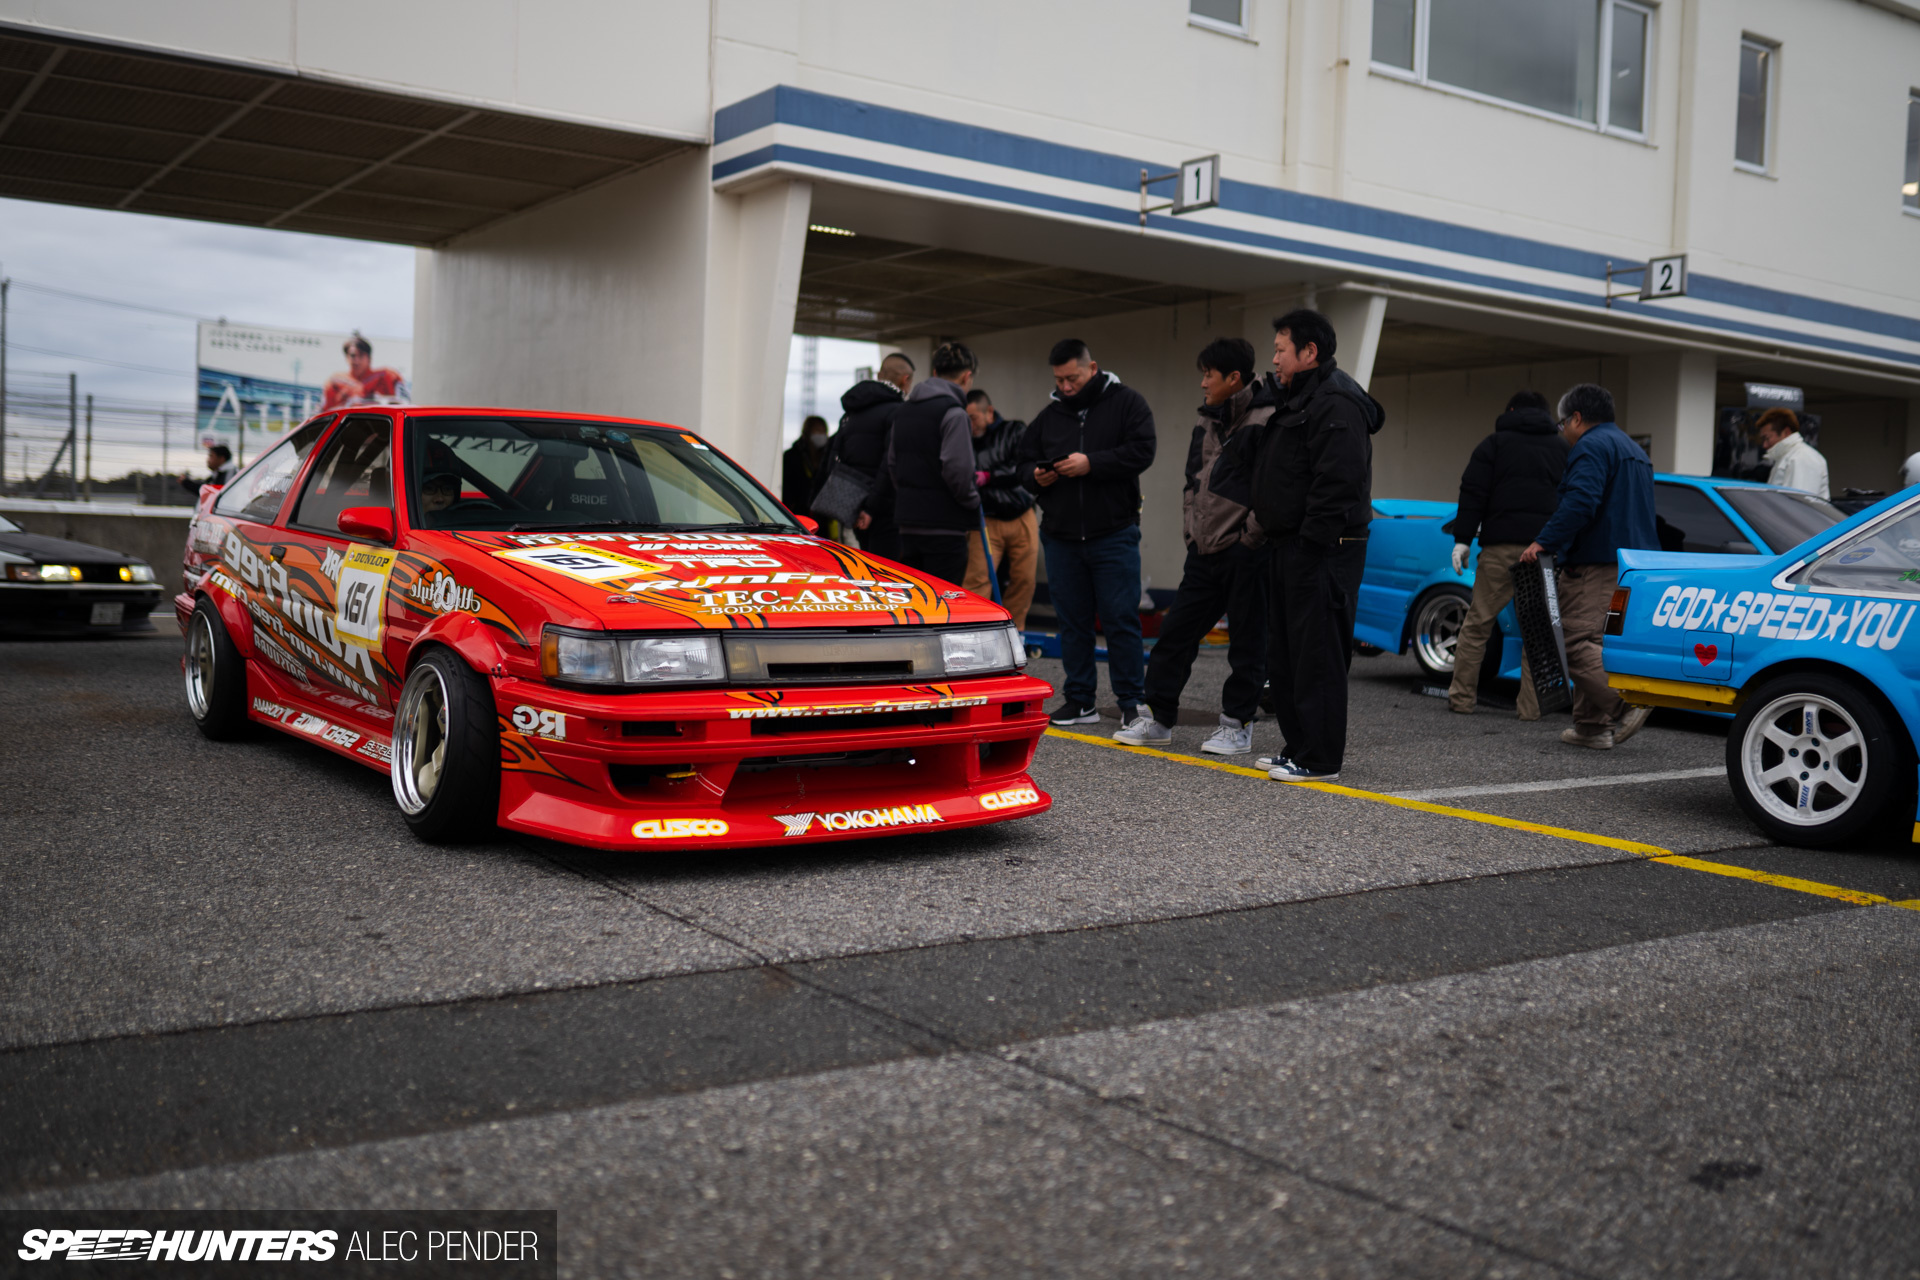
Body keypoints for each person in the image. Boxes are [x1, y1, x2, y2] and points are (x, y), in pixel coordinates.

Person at [1223, 308, 1383, 783]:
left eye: (1281, 349)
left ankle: (1320, 758)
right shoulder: (1299, 400)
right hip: (1288, 546)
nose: (1273, 358)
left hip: (1322, 549)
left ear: (1309, 352)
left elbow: (1338, 483)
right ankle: (1298, 747)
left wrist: (1311, 544)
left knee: (1318, 654)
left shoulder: (1336, 403)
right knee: (1288, 654)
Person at [1114, 337, 1271, 755]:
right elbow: (1191, 480)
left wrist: (1248, 537)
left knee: (1247, 642)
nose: (1203, 383)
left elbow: (1272, 488)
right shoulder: (1205, 420)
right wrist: (1191, 531)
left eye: (1209, 374)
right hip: (1203, 551)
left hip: (1246, 552)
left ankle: (1237, 725)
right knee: (1174, 633)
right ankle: (1160, 718)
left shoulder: (1267, 417)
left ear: (1234, 378)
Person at [1018, 338, 1157, 729]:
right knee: (1072, 621)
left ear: (1092, 368)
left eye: (1072, 378)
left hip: (1113, 533)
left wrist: (1091, 463)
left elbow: (1143, 451)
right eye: (1060, 380)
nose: (1065, 386)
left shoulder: (1128, 403)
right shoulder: (1050, 416)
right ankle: (1080, 700)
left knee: (1119, 618)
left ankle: (1131, 701)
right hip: (1061, 536)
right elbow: (1022, 463)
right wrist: (1035, 475)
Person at [1521, 383, 1659, 750]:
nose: (1562, 431)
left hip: (1596, 564)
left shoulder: (1591, 447)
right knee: (1597, 640)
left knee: (1573, 640)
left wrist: (1543, 542)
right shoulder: (1633, 450)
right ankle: (1591, 727)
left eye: (1562, 424)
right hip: (1633, 566)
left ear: (1577, 419)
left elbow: (1581, 501)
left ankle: (1624, 701)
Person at [1445, 390, 1567, 720]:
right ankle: (1530, 708)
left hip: (1500, 548)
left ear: (1511, 410)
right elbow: (1571, 500)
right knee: (1537, 631)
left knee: (1478, 623)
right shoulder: (1562, 448)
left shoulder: (1493, 444)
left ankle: (1461, 699)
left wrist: (1463, 539)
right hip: (1543, 550)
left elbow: (1473, 492)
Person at [874, 342, 981, 585]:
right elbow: (958, 471)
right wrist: (973, 499)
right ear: (967, 377)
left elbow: (893, 464)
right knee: (945, 605)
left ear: (934, 373)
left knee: (917, 603)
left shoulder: (903, 411)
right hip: (945, 527)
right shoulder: (954, 414)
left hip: (908, 524)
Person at [962, 389, 1039, 629]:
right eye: (966, 419)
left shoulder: (1015, 430)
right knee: (977, 581)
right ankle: (974, 630)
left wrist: (989, 476)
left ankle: (1015, 632)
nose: (970, 424)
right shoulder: (963, 440)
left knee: (1024, 579)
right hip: (985, 520)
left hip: (1021, 515)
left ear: (990, 412)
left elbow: (1022, 468)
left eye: (973, 418)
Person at [834, 351, 915, 560]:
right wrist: (871, 508)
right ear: (905, 380)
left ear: (880, 374)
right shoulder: (898, 411)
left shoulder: (853, 411)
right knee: (888, 577)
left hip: (852, 505)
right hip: (885, 511)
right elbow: (890, 465)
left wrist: (860, 507)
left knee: (862, 570)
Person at [320, 333, 408, 412]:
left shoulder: (386, 376)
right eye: (353, 355)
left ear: (369, 358)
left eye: (361, 355)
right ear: (347, 357)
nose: (356, 360)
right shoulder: (335, 381)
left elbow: (405, 406)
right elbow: (324, 412)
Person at [1756, 407, 1829, 498]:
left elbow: (1800, 504)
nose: (1764, 445)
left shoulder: (1802, 457)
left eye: (1767, 438)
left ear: (1786, 432)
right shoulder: (1790, 457)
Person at [782, 414, 831, 514]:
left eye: (824, 431)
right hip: (797, 514)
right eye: (817, 430)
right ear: (807, 432)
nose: (821, 435)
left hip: (821, 516)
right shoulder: (791, 457)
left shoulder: (828, 459)